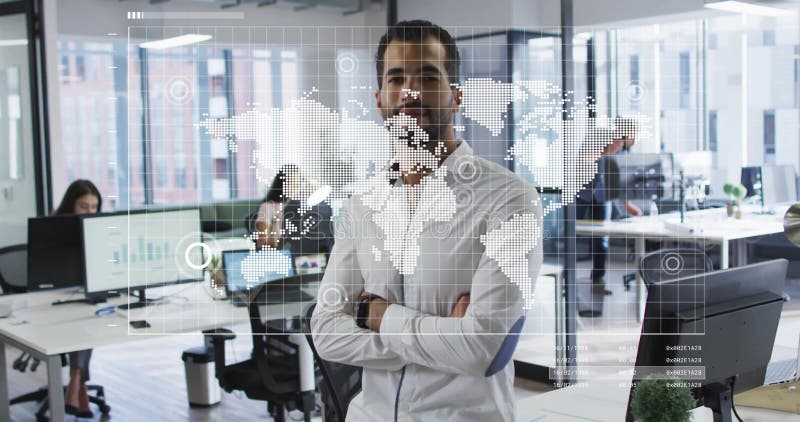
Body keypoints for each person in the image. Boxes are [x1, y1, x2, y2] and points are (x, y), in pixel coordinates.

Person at [311, 20, 542, 421]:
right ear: (379, 99)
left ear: (456, 97)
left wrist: (377, 316)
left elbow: (483, 350)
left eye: (428, 77)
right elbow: (327, 332)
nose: (410, 91)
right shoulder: (363, 205)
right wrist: (442, 338)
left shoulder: (510, 200)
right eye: (397, 78)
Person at [575, 118, 641, 295]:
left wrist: (628, 205)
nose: (634, 139)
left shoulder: (626, 153)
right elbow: (584, 159)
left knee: (601, 240)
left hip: (603, 197)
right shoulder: (599, 137)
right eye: (633, 135)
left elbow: (621, 182)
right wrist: (607, 151)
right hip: (582, 193)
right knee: (571, 235)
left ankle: (597, 282)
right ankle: (566, 279)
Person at [53, 179, 102, 417]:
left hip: (86, 295)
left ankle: (76, 380)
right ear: (71, 205)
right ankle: (78, 383)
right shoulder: (53, 230)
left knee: (87, 318)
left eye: (94, 207)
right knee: (83, 322)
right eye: (84, 206)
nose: (90, 212)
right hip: (54, 299)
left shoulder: (99, 230)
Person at [254, 164, 301, 249]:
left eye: (298, 182)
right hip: (276, 253)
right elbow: (263, 242)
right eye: (293, 182)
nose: (296, 186)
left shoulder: (297, 207)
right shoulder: (267, 207)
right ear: (281, 184)